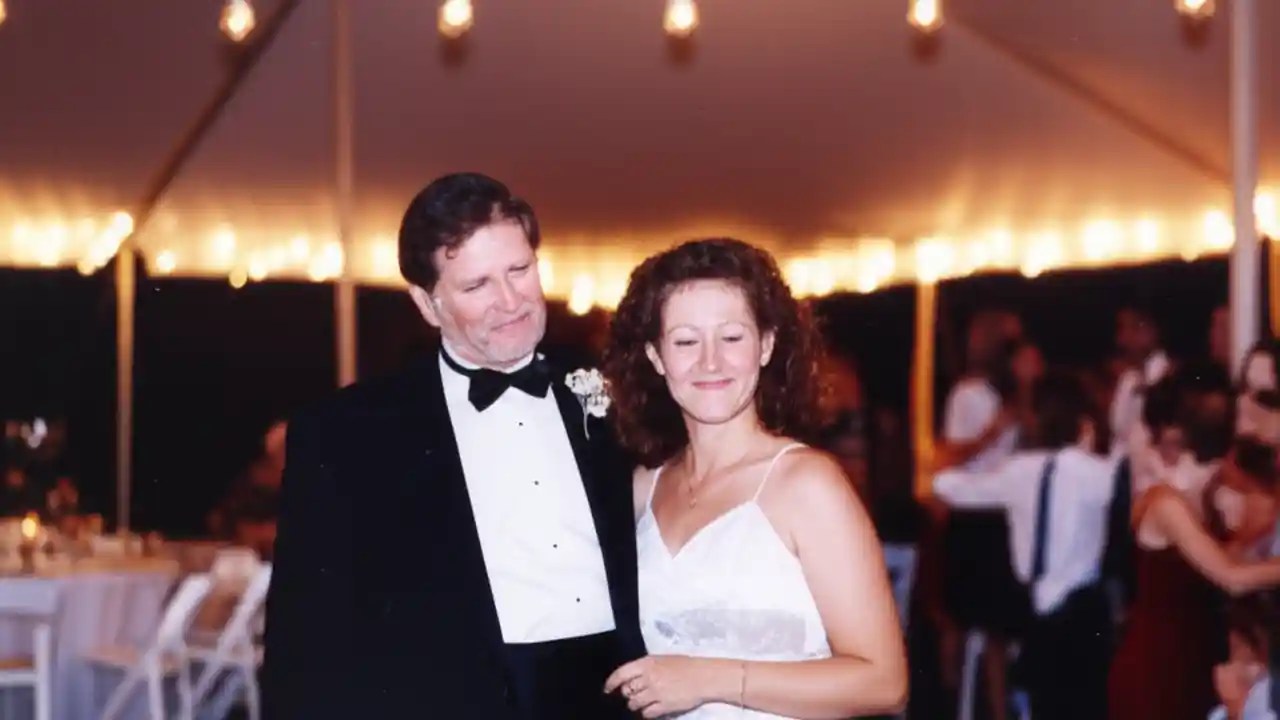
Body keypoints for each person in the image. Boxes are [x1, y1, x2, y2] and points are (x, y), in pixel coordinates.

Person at [260, 173, 645, 719]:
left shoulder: (615, 395)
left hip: (612, 698)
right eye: (476, 285)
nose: (511, 301)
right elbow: (303, 638)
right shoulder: (347, 431)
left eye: (520, 270)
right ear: (427, 302)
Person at [600, 238, 907, 719]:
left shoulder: (806, 484)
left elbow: (884, 682)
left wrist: (708, 678)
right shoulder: (644, 489)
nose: (710, 362)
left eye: (731, 337)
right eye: (685, 341)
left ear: (765, 345)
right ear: (656, 358)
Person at [934, 371, 1116, 720]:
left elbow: (947, 486)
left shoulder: (1017, 471)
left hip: (1037, 614)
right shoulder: (1098, 474)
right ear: (1085, 424)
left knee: (1045, 703)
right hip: (1085, 613)